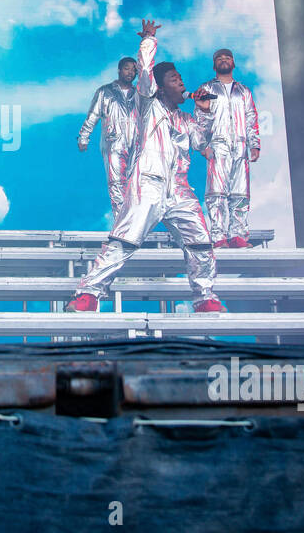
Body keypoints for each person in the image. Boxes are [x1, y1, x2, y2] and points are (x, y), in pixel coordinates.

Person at [67, 19, 224, 313]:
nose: (181, 82)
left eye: (181, 78)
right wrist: (149, 39)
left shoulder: (186, 119)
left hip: (179, 190)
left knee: (201, 243)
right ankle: (88, 293)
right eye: (174, 78)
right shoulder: (148, 105)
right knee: (124, 240)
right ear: (160, 87)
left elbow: (204, 145)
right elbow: (146, 71)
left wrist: (205, 112)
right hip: (147, 185)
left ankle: (205, 296)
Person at [196, 48, 260, 248]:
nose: (224, 60)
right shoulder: (207, 89)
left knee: (240, 192)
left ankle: (238, 235)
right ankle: (218, 236)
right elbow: (199, 120)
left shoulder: (243, 91)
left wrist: (254, 144)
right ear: (214, 65)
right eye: (219, 58)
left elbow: (251, 118)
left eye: (227, 57)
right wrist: (203, 146)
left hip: (240, 147)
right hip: (218, 145)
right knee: (217, 193)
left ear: (233, 63)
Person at [77, 56, 139, 219]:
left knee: (134, 186)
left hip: (136, 144)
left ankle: (132, 225)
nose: (130, 72)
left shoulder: (139, 94)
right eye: (127, 68)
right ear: (119, 70)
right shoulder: (105, 92)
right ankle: (121, 225)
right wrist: (84, 136)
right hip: (113, 143)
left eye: (134, 70)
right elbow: (93, 115)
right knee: (116, 184)